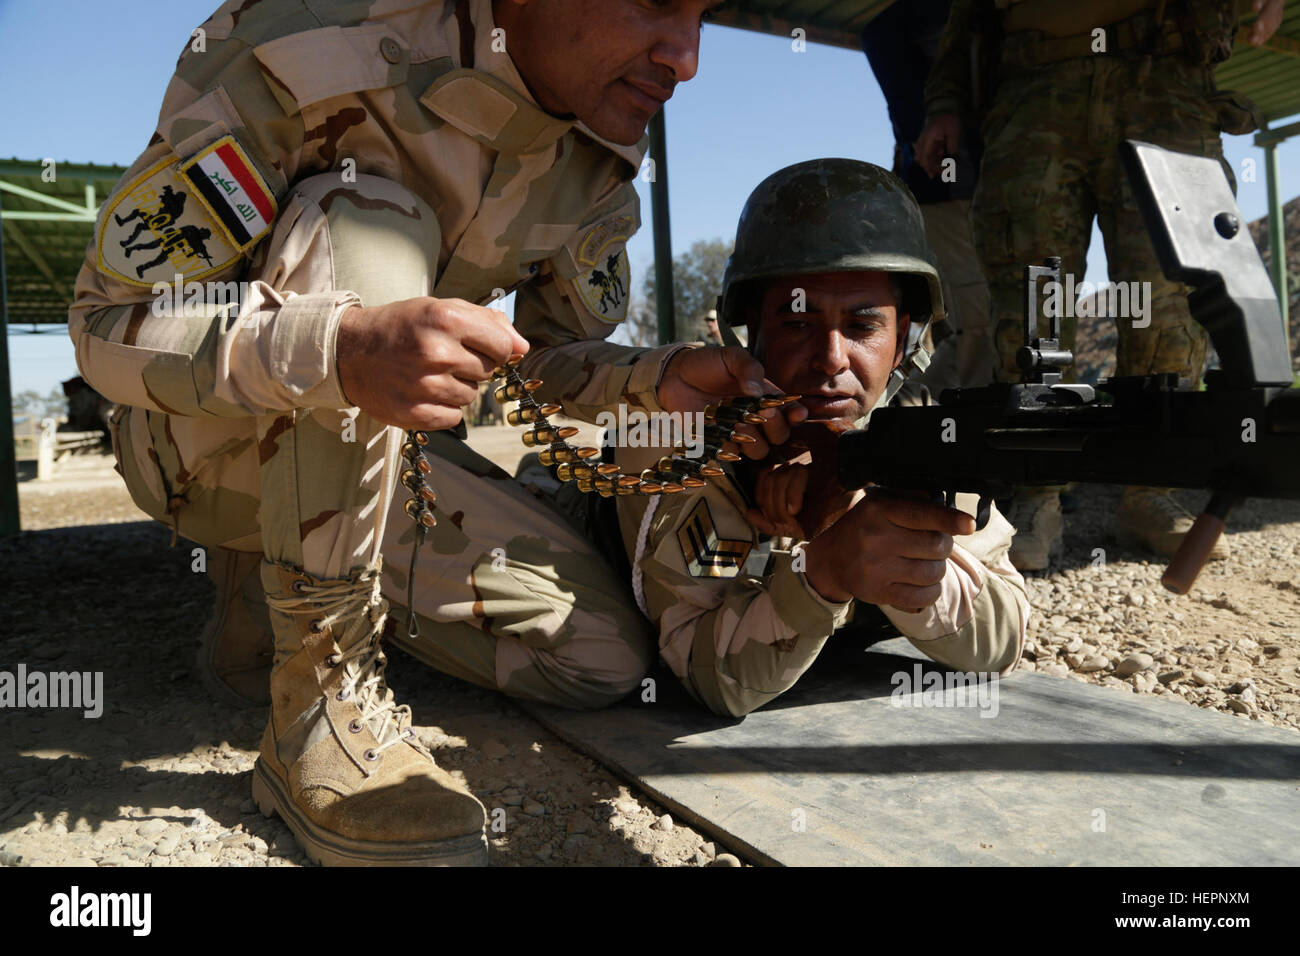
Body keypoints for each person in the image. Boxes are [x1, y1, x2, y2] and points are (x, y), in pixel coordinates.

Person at [68, 0, 769, 867]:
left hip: (361, 443)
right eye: (657, 4)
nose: (687, 57)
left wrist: (648, 381)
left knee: (598, 657)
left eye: (705, 14)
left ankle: (262, 578)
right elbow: (109, 323)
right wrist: (340, 347)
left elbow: (547, 365)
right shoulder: (309, 47)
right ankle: (321, 700)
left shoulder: (604, 139)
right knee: (366, 219)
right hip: (192, 437)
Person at [608, 159, 1029, 716]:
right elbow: (715, 677)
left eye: (862, 326)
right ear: (751, 334)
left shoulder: (918, 436)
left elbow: (1003, 639)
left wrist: (868, 525)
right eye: (798, 323)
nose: (831, 358)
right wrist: (824, 573)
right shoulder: (684, 442)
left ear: (902, 339)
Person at [914, 0, 1285, 570]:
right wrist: (943, 102)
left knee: (1171, 292)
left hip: (1162, 79)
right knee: (1031, 297)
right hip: (1034, 83)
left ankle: (1151, 489)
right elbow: (965, 13)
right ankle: (1036, 495)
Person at [861, 0, 997, 394]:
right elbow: (918, 123)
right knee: (979, 321)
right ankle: (972, 420)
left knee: (964, 327)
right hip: (952, 192)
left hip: (959, 191)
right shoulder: (916, 23)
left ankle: (909, 411)